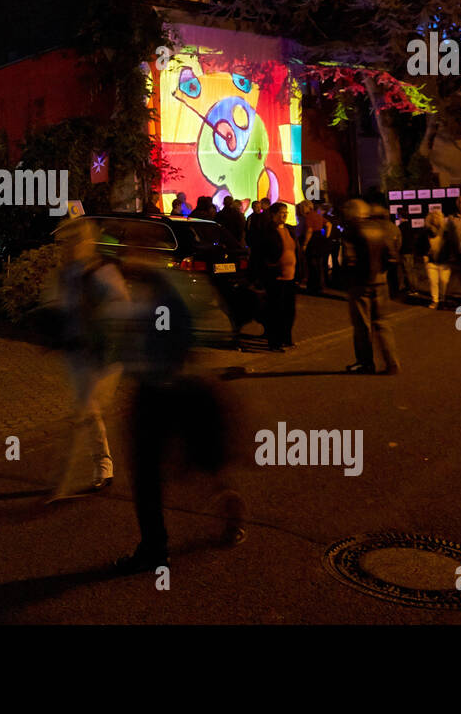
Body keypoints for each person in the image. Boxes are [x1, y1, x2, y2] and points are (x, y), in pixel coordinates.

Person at [111, 248, 246, 574]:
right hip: (190, 389)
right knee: (200, 459)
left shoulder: (155, 301)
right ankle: (227, 505)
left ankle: (154, 549)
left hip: (157, 394)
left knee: (146, 475)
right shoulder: (181, 287)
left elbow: (146, 348)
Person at [45, 218, 128, 502]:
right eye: (65, 243)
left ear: (86, 242)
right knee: (88, 410)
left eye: (73, 241)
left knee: (85, 411)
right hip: (76, 352)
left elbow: (121, 307)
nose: (67, 248)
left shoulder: (102, 273)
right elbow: (59, 308)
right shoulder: (66, 274)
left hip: (100, 355)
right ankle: (97, 466)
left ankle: (85, 472)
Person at [341, 199, 401, 374]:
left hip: (360, 283)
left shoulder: (351, 230)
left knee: (362, 325)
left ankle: (365, 362)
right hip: (380, 281)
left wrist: (346, 278)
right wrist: (382, 272)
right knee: (383, 323)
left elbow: (349, 259)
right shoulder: (381, 228)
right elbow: (392, 256)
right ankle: (392, 362)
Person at [264, 201, 297, 351]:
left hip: (291, 277)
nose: (284, 215)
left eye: (286, 213)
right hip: (276, 278)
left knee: (289, 310)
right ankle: (274, 342)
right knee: (276, 311)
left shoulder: (290, 230)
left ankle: (286, 338)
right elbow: (261, 254)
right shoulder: (268, 231)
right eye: (281, 213)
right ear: (273, 215)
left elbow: (296, 252)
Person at [421, 209, 454, 309]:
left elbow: (451, 245)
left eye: (437, 216)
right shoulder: (425, 232)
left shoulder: (446, 232)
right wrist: (424, 255)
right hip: (431, 262)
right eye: (433, 216)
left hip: (444, 261)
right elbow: (420, 245)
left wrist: (451, 257)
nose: (435, 218)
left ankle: (443, 299)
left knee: (444, 281)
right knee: (433, 281)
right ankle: (434, 300)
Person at [298, 199, 332, 294]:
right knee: (319, 264)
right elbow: (329, 224)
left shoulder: (309, 216)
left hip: (312, 241)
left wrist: (305, 244)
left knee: (311, 264)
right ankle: (319, 286)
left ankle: (313, 286)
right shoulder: (317, 215)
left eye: (302, 207)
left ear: (306, 207)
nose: (301, 210)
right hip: (320, 240)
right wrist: (326, 237)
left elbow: (309, 231)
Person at [396, 213, 419, 299]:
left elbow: (399, 241)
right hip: (410, 251)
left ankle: (413, 290)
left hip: (404, 252)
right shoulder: (410, 226)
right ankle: (412, 288)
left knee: (408, 271)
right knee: (411, 270)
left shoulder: (401, 227)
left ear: (400, 216)